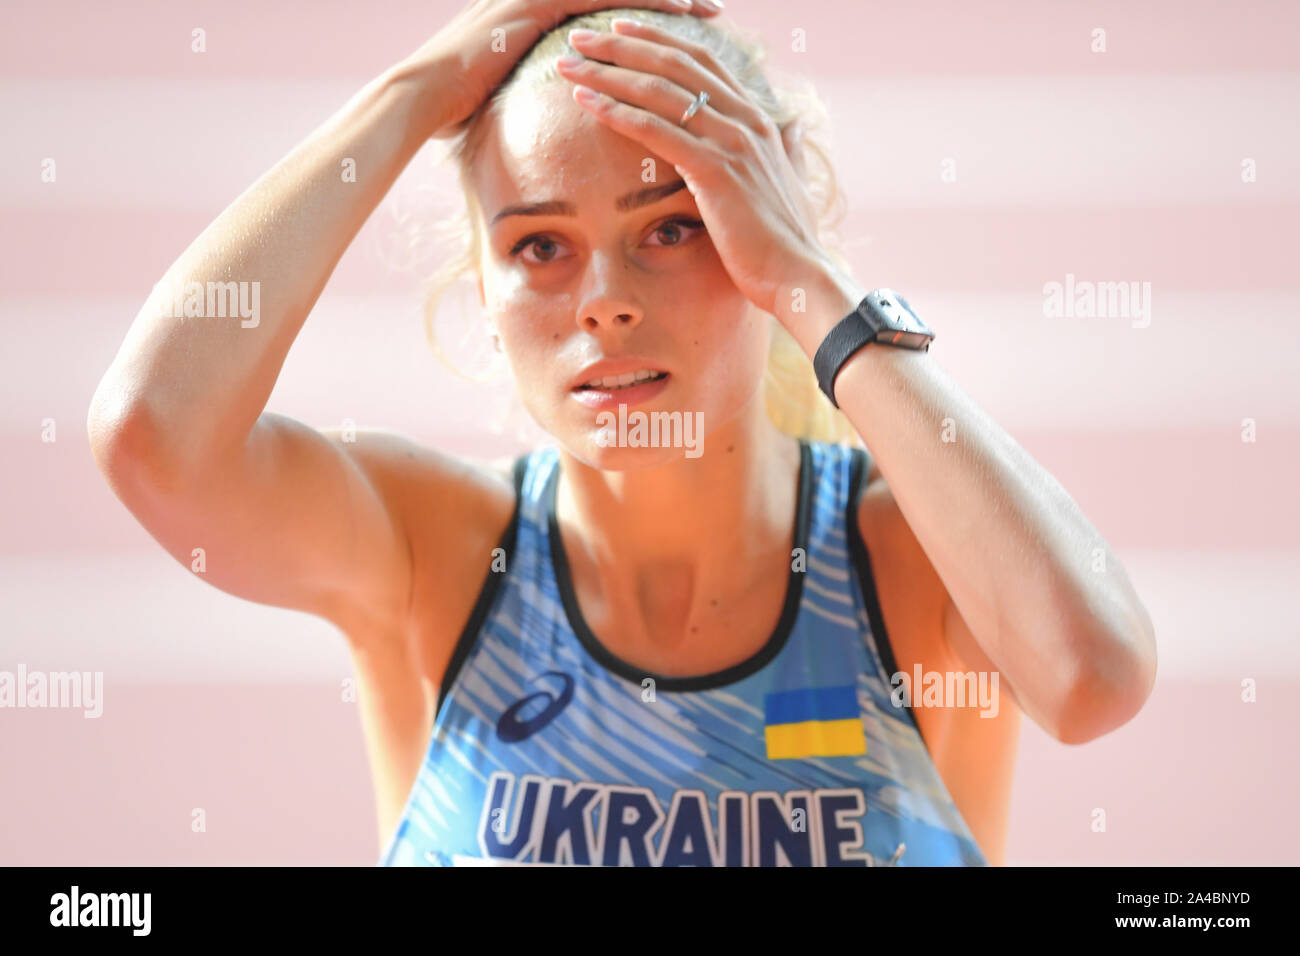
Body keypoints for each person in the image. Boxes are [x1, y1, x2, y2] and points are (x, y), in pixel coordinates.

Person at [87, 0, 1157, 867]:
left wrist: (809, 284)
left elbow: (1091, 674)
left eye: (672, 224)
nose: (602, 299)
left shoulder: (900, 559)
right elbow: (153, 434)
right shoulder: (438, 556)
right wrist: (416, 93)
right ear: (484, 287)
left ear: (764, 220)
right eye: (540, 246)